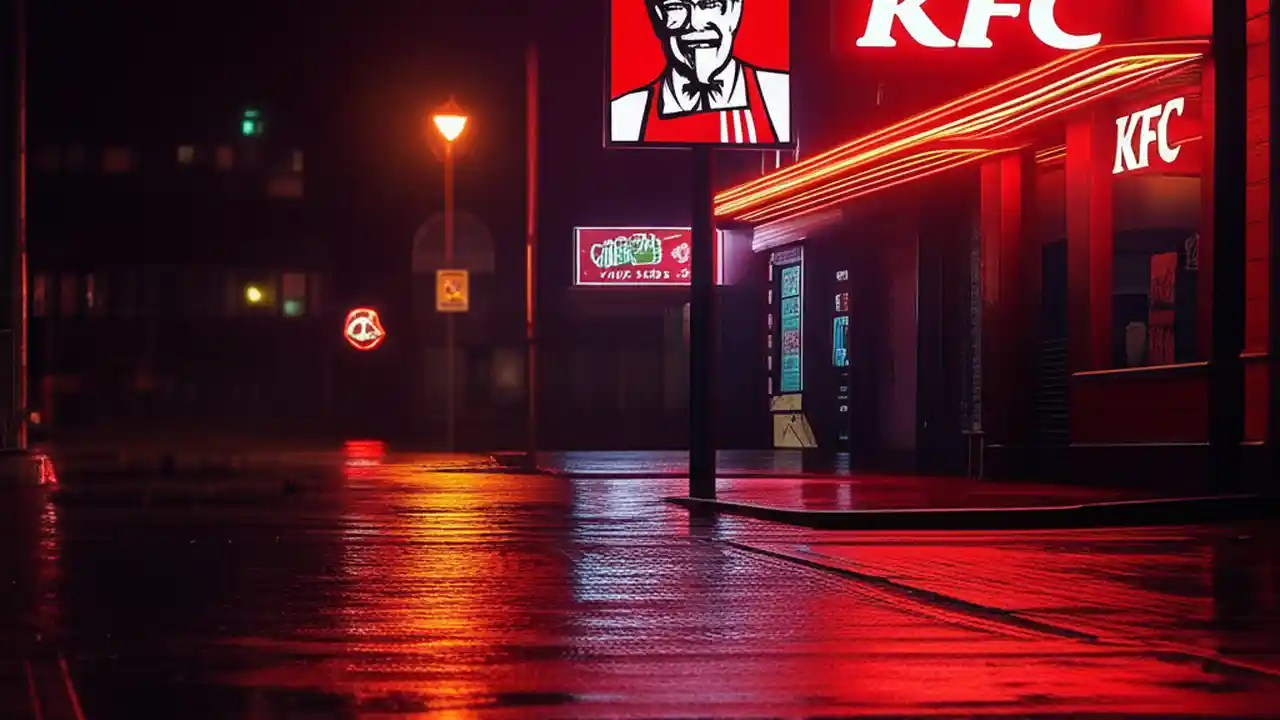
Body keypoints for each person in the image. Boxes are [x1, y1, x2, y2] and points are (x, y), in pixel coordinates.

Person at [611, 0, 790, 145]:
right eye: (677, 7)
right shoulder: (626, 114)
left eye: (711, 4)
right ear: (659, 17)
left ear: (735, 11)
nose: (697, 24)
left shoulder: (781, 96)